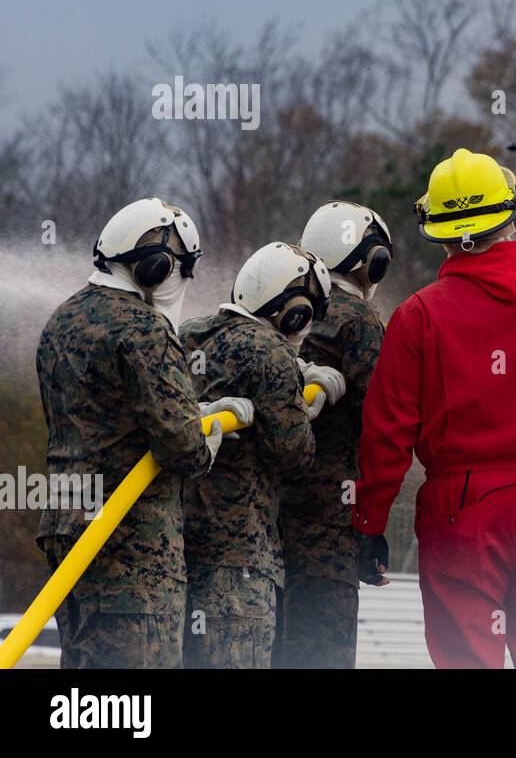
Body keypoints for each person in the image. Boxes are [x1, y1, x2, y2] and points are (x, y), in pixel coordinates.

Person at [353, 148, 516, 668]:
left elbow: (387, 435)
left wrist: (369, 522)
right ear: (511, 214)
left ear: (442, 231)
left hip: (463, 513)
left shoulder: (419, 317)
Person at [36, 197, 253, 668]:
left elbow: (110, 414)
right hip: (131, 541)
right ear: (158, 267)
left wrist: (190, 410)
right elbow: (183, 449)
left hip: (65, 529)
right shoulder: (144, 327)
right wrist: (208, 435)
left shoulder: (61, 319)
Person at [180, 242, 344, 668]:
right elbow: (294, 454)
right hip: (240, 561)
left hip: (178, 549)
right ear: (295, 312)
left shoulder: (191, 333)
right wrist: (304, 404)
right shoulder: (269, 352)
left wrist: (300, 371)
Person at [276, 202, 391, 668]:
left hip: (264, 519)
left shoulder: (285, 305)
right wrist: (372, 530)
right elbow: (379, 424)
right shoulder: (359, 321)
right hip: (326, 526)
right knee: (321, 652)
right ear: (372, 260)